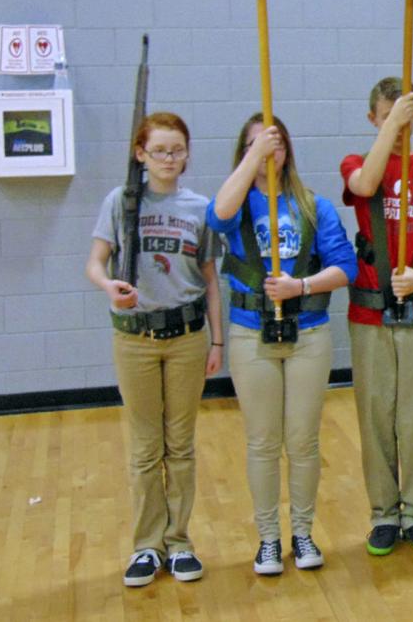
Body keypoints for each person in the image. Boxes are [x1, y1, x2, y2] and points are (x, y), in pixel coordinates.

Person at [207, 113, 357, 576]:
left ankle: (303, 532)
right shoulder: (239, 206)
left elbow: (345, 267)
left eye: (273, 144)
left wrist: (303, 286)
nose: (266, 152)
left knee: (303, 440)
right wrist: (254, 155)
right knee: (263, 441)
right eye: (254, 145)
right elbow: (217, 216)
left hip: (307, 331)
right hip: (252, 334)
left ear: (288, 150)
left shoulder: (314, 207)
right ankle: (269, 538)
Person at [85, 111, 223, 588]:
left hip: (186, 338)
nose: (169, 159)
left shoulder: (199, 207)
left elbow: (209, 281)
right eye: (160, 150)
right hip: (134, 337)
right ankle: (147, 545)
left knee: (180, 445)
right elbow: (95, 263)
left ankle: (180, 542)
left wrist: (217, 340)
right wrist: (109, 287)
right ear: (141, 154)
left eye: (177, 150)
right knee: (145, 448)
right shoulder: (119, 201)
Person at [341, 76, 413, 556]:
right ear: (374, 119)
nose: (396, 124)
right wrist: (393, 126)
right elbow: (365, 184)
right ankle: (383, 513)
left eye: (403, 116)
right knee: (375, 413)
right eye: (385, 116)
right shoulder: (358, 164)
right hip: (369, 309)